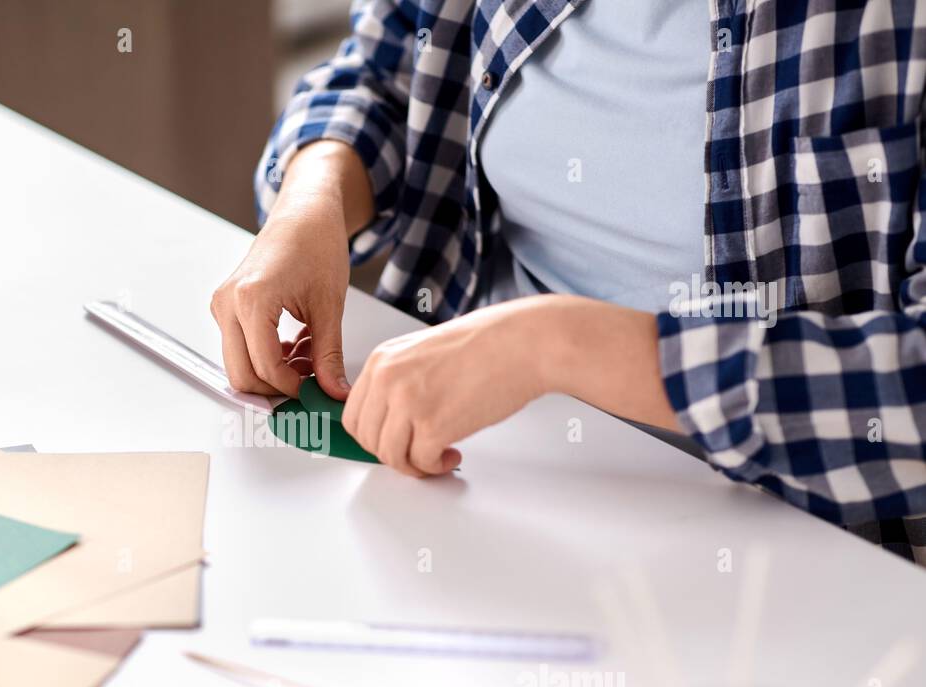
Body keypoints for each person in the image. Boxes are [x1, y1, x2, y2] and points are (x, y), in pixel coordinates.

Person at [209, 0, 926, 564]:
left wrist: (556, 346)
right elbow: (388, 64)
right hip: (473, 462)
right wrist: (313, 199)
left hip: (800, 545)